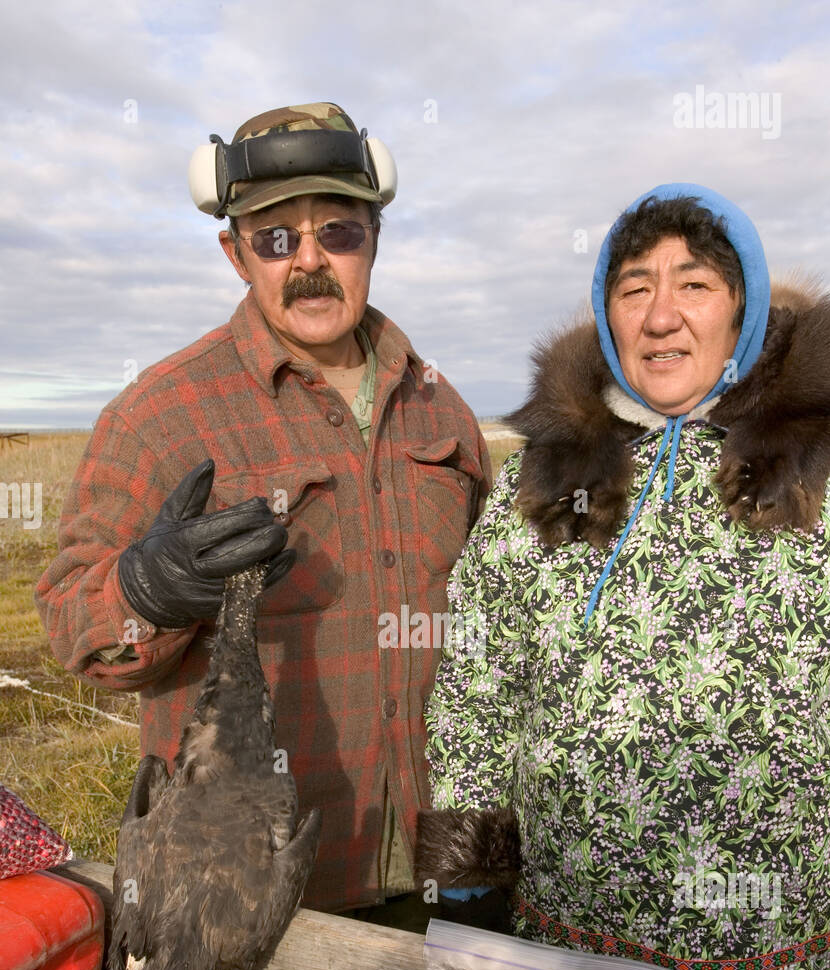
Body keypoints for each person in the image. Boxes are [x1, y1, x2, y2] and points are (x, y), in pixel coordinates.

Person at [414, 182, 830, 970]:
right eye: (633, 289)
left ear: (745, 310)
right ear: (608, 316)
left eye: (694, 284)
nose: (661, 316)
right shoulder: (539, 489)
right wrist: (469, 901)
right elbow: (478, 699)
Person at [35, 102, 492, 916]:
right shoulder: (161, 415)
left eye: (338, 233)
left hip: (446, 872)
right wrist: (145, 594)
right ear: (236, 254)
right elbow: (75, 623)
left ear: (375, 240)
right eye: (276, 237)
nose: (308, 261)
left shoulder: (440, 408)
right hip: (254, 898)